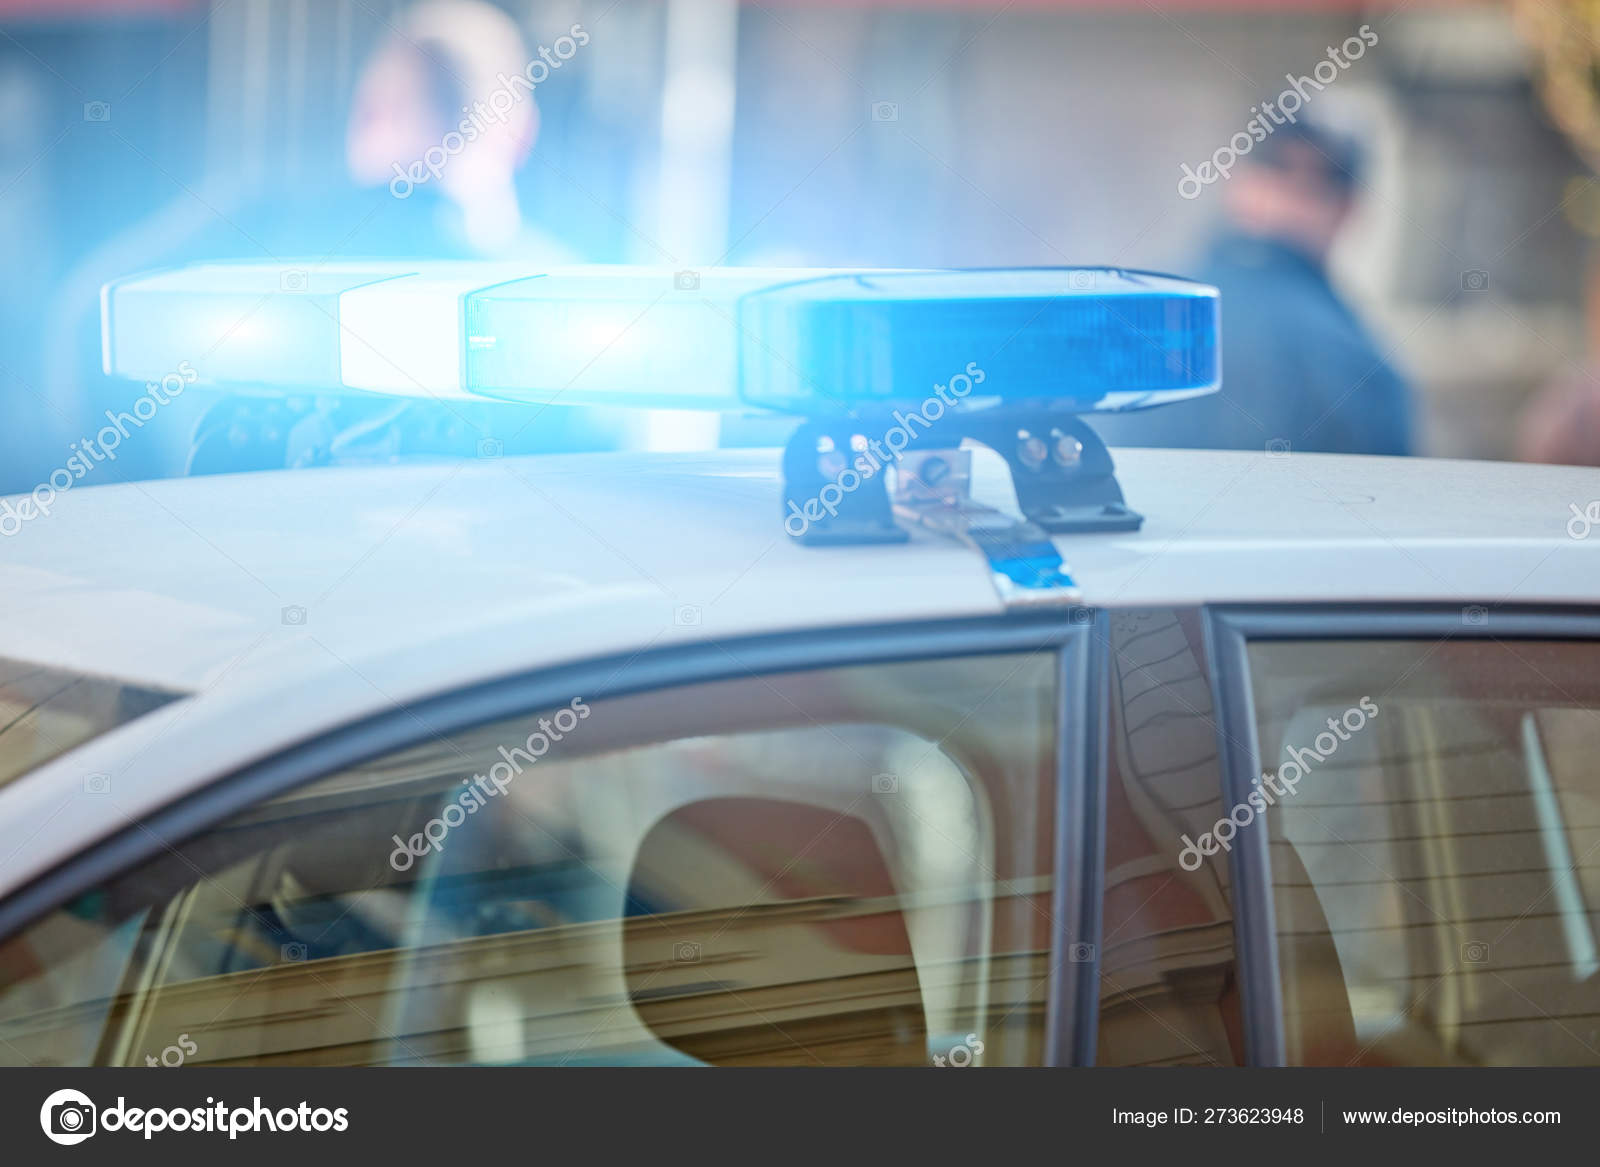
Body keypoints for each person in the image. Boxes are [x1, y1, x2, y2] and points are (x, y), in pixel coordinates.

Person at [1095, 120, 1412, 457]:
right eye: (1277, 167)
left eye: (1313, 183)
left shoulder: (1128, 315)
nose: (1289, 191)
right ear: (1351, 210)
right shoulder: (1364, 365)